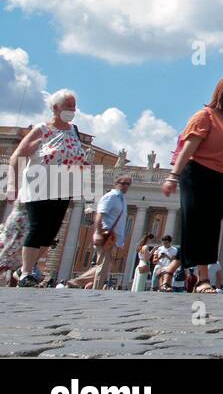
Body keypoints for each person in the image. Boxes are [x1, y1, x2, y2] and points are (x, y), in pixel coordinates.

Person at [163, 75, 223, 293]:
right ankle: (203, 280)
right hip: (198, 175)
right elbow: (188, 149)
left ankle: (171, 268)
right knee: (201, 226)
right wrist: (173, 176)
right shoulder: (204, 116)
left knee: (209, 227)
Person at [6, 90, 93, 287]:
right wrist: (12, 184)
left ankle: (25, 267)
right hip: (38, 184)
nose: (73, 110)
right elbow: (17, 156)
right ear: (55, 108)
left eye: (74, 106)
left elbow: (76, 155)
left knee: (51, 233)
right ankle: (26, 272)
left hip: (63, 187)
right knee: (37, 228)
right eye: (69, 106)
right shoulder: (42, 129)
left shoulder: (74, 130)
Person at [75, 175, 132, 290]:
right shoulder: (110, 197)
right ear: (116, 183)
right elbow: (99, 215)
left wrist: (120, 240)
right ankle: (97, 288)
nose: (125, 186)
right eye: (123, 183)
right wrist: (98, 232)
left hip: (113, 238)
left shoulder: (122, 200)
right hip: (105, 235)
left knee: (105, 263)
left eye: (128, 184)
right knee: (104, 264)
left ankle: (75, 281)